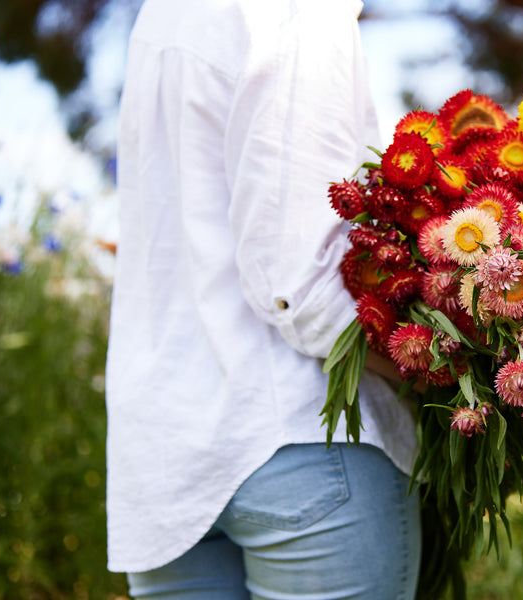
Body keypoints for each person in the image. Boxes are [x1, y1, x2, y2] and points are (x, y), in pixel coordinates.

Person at [105, 0, 420, 598]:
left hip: (166, 458)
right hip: (300, 435)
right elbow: (298, 287)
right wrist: (455, 383)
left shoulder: (161, 15)